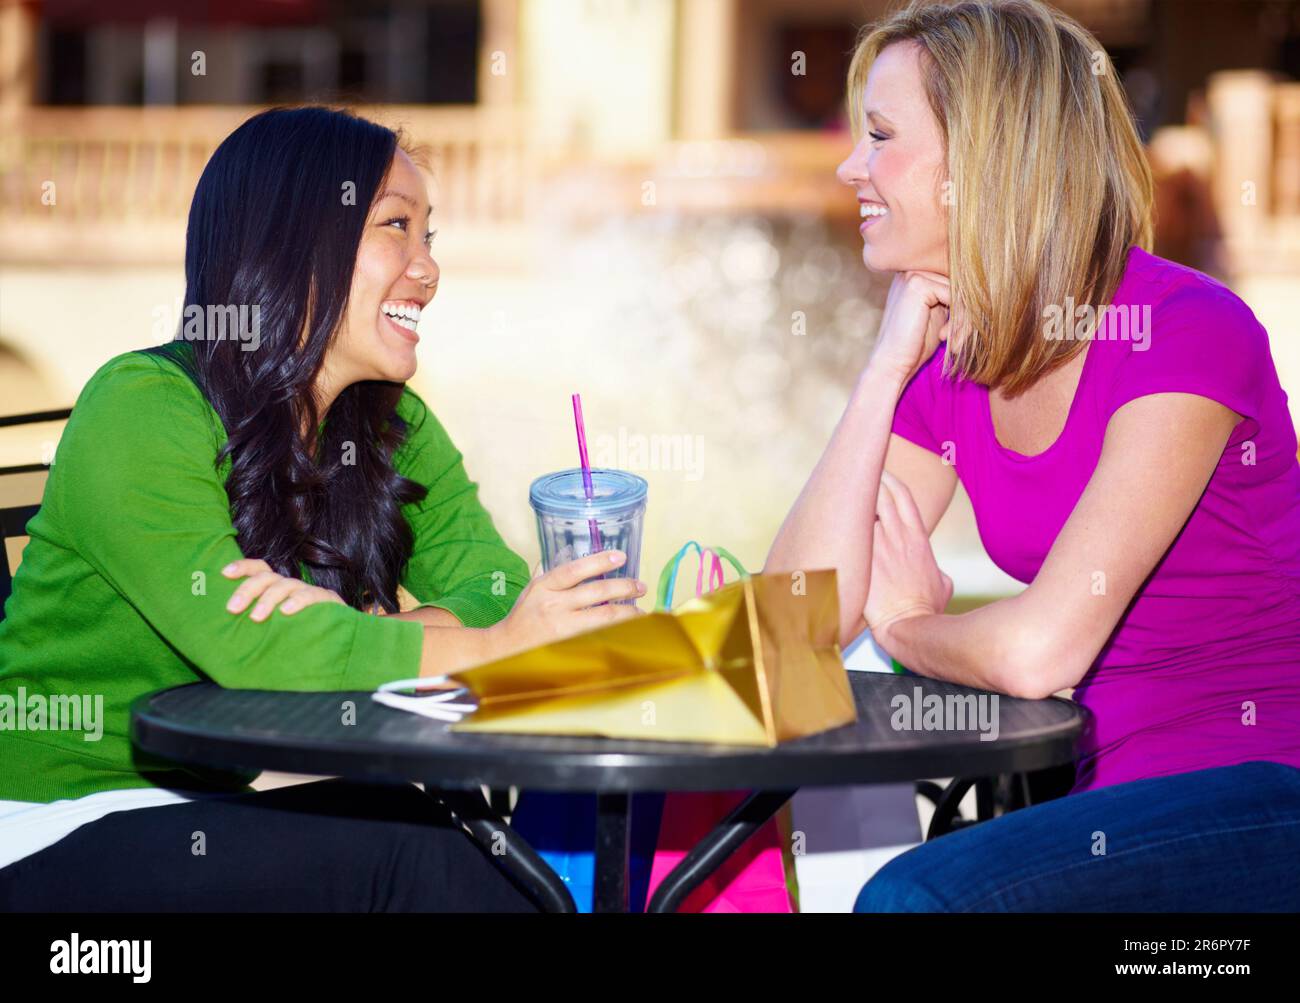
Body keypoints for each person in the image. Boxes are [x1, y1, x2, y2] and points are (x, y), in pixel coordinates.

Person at [0, 106, 646, 911]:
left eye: (429, 236)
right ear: (295, 239)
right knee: (421, 856)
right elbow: (250, 646)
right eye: (395, 228)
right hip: (59, 825)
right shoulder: (142, 407)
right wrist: (491, 648)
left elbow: (492, 581)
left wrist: (400, 634)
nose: (428, 268)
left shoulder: (387, 426)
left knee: (457, 834)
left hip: (216, 812)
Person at [766, 0, 1300, 911]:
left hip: (1259, 795)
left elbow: (1039, 650)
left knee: (917, 896)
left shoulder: (1182, 332)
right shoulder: (953, 368)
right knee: (853, 833)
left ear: (981, 165)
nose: (852, 166)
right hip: (1090, 812)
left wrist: (907, 632)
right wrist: (886, 368)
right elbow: (788, 627)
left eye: (883, 137)